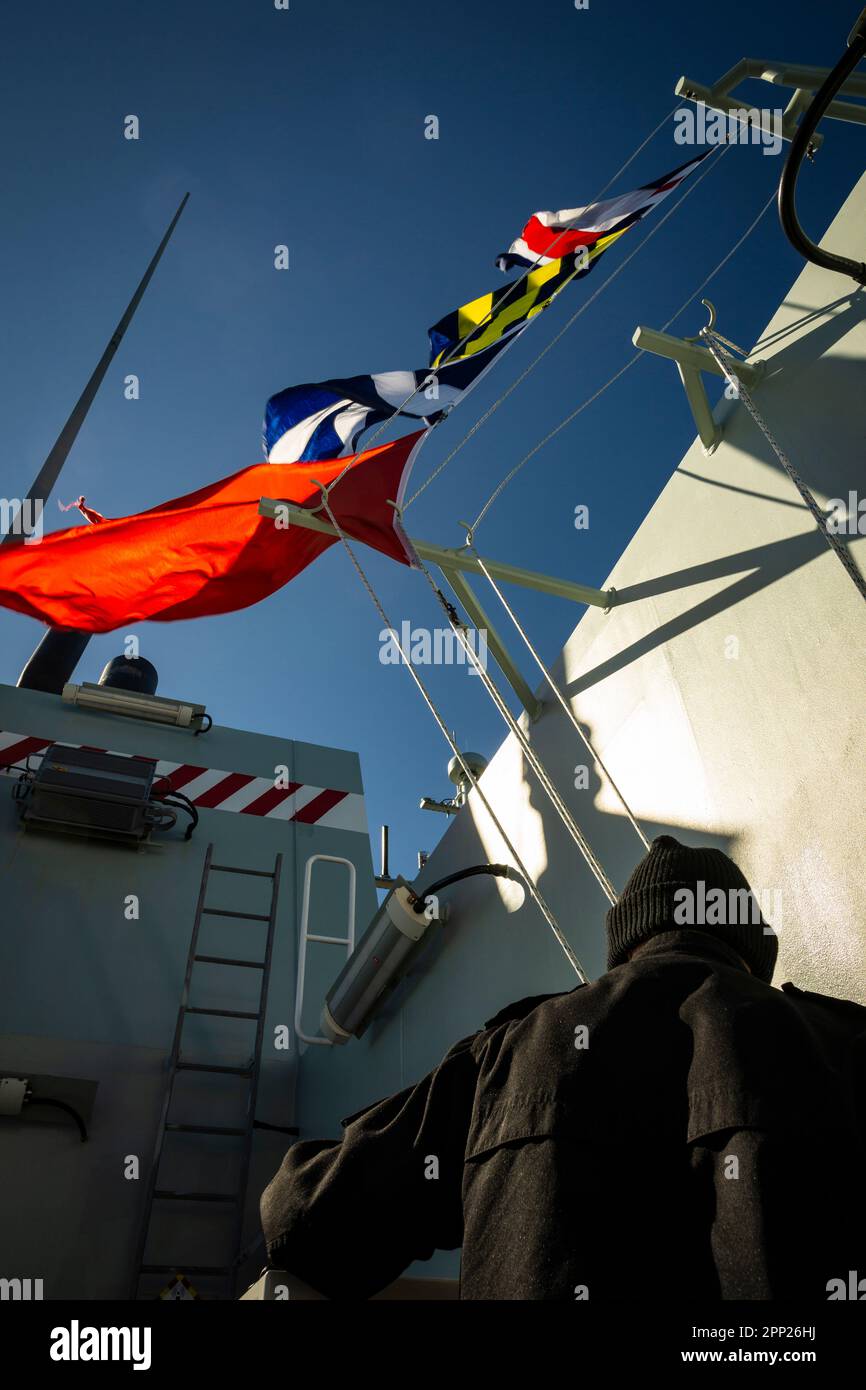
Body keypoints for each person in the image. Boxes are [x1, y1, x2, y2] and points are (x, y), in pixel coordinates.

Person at [259, 835, 866, 1300]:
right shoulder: (845, 1041)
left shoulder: (512, 1051)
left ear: (626, 940)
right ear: (753, 948)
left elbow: (304, 1221)